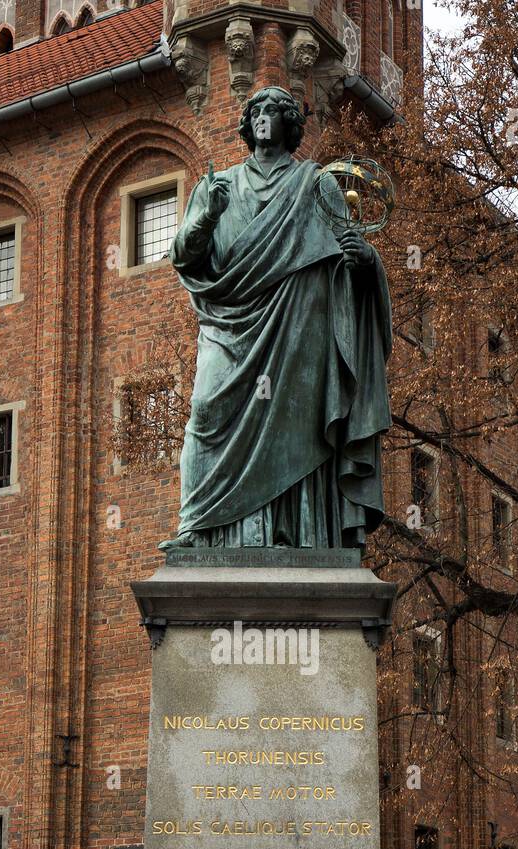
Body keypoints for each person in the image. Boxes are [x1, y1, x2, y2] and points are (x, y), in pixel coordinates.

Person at [161, 86, 392, 551]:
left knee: (296, 428)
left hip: (299, 327)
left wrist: (366, 261)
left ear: (290, 124)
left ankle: (298, 532)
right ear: (248, 125)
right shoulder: (218, 186)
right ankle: (200, 524)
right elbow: (185, 258)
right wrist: (205, 217)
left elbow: (348, 258)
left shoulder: (317, 184)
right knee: (206, 410)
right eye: (257, 110)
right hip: (230, 326)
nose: (264, 116)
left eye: (274, 110)